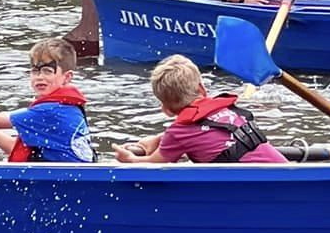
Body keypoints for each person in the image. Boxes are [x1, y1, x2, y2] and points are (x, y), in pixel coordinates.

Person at [116, 54, 289, 165]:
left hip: (262, 187)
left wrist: (130, 158)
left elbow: (153, 164)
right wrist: (158, 139)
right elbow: (208, 133)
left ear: (166, 109)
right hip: (285, 172)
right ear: (202, 89)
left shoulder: (178, 134)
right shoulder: (229, 112)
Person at [0, 36, 95, 163]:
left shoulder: (51, 110)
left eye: (47, 71)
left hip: (68, 178)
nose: (39, 77)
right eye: (35, 71)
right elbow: (13, 147)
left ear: (67, 77)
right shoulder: (67, 106)